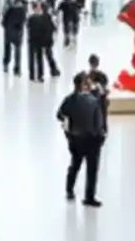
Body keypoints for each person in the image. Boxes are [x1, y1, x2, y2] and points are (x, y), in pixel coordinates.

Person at [56, 72, 105, 208]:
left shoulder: (71, 99)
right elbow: (99, 120)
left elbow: (60, 115)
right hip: (88, 139)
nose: (89, 84)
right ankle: (85, 195)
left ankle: (74, 191)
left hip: (79, 138)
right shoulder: (92, 100)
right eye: (87, 82)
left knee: (79, 166)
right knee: (86, 168)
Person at [26, 2, 61, 81]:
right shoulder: (47, 17)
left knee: (36, 57)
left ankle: (33, 75)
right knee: (45, 56)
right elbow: (53, 28)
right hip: (45, 40)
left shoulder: (33, 18)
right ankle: (43, 74)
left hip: (36, 40)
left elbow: (29, 27)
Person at [1, 0, 27, 75]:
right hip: (18, 32)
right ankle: (17, 68)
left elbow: (4, 20)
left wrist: (5, 26)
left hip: (8, 31)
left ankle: (6, 64)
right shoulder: (23, 9)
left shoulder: (10, 8)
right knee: (18, 49)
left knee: (7, 48)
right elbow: (24, 20)